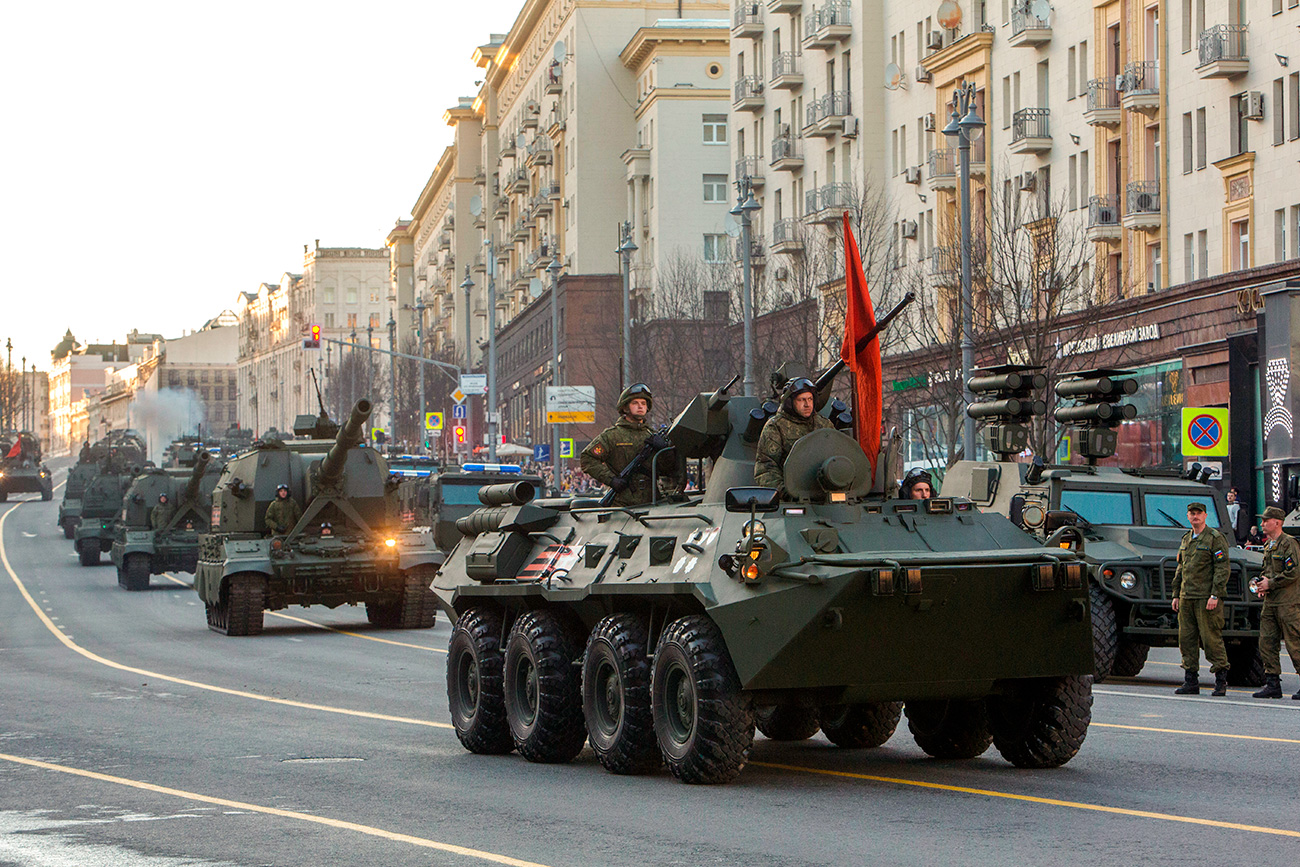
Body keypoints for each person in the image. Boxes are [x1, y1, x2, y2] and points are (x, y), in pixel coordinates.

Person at [1171, 502, 1232, 696]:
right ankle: (1191, 680)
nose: (1195, 516)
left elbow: (1222, 568)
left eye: (1198, 513)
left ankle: (1221, 679)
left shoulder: (1215, 538)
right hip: (1187, 597)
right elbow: (1181, 568)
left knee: (1210, 638)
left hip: (1206, 598)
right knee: (1186, 640)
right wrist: (1176, 594)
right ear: (1188, 516)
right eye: (1192, 513)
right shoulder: (1186, 539)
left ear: (1205, 516)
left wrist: (1215, 594)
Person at [580, 384, 673, 507]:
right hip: (622, 504)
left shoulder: (653, 435)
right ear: (625, 407)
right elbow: (587, 458)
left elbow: (669, 469)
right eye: (635, 403)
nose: (640, 406)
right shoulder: (612, 436)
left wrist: (665, 449)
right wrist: (611, 480)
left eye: (643, 403)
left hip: (652, 501)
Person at [1251, 507, 1300, 699]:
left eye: (1266, 521)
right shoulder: (1269, 545)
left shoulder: (1289, 544)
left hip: (1288, 603)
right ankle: (1272, 683)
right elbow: (1268, 571)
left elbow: (1293, 572)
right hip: (1271, 602)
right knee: (1267, 642)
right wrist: (1262, 585)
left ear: (1277, 522)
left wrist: (1270, 583)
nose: (1262, 524)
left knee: (1295, 643)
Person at [754, 377, 834, 492]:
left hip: (825, 493)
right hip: (792, 496)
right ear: (789, 402)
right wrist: (785, 491)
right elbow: (765, 468)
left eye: (810, 399)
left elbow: (837, 455)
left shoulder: (824, 424)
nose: (807, 404)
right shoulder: (776, 426)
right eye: (801, 400)